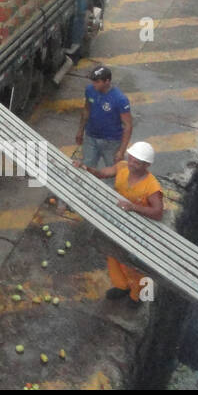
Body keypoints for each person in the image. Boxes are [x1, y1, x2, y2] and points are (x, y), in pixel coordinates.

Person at [84, 141, 163, 302]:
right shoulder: (122, 167)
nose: (132, 164)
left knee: (131, 265)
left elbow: (157, 212)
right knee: (112, 256)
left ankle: (136, 296)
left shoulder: (152, 186)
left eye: (137, 162)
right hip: (118, 222)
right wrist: (86, 169)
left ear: (146, 165)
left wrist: (133, 207)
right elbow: (103, 173)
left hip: (138, 229)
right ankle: (121, 286)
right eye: (131, 159)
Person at [75, 65, 132, 168]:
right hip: (91, 138)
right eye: (93, 81)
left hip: (112, 142)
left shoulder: (120, 99)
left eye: (97, 82)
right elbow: (86, 110)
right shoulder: (90, 90)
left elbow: (128, 125)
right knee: (86, 169)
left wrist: (121, 151)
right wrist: (80, 131)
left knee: (113, 173)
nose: (94, 84)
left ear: (107, 81)